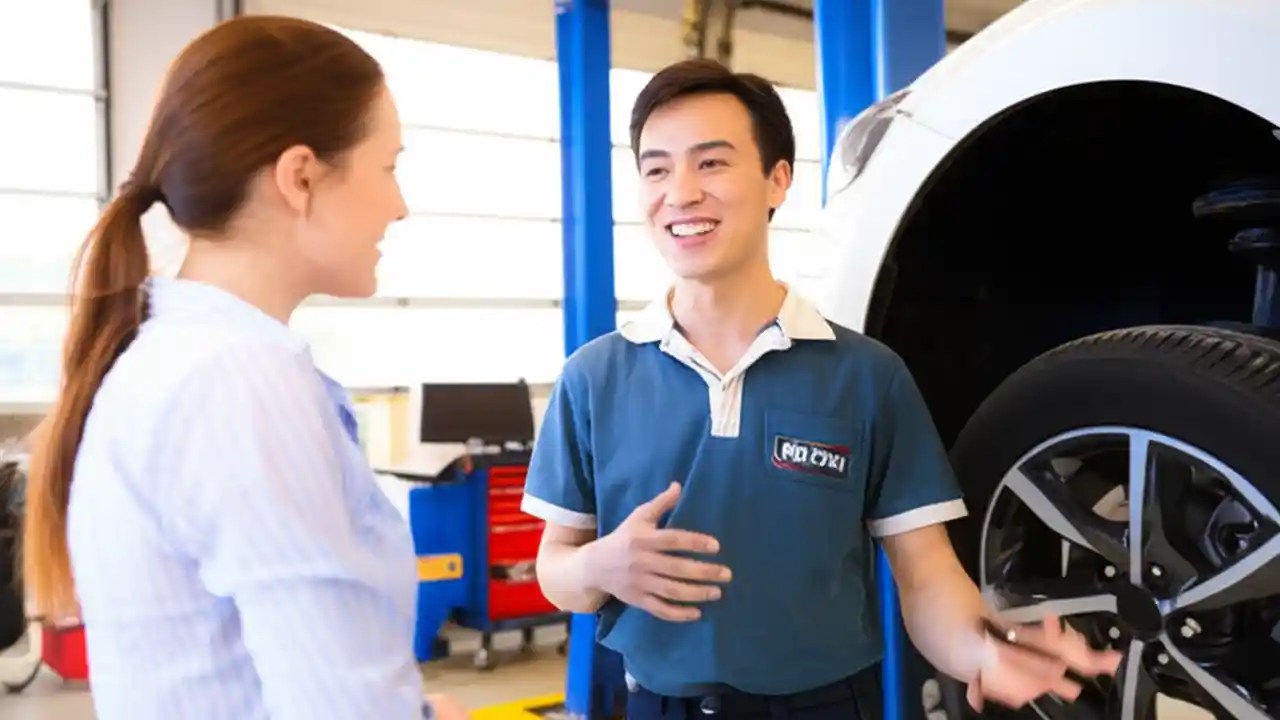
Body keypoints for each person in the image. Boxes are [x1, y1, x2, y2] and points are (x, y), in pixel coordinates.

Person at [520, 59, 1123, 719]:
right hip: (656, 706)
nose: (681, 193)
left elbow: (926, 577)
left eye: (711, 164)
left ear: (777, 180)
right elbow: (556, 572)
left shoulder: (867, 375)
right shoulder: (594, 376)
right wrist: (597, 570)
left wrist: (980, 653)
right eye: (657, 169)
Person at [22, 16, 469, 720]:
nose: (399, 205)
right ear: (299, 176)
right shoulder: (237, 380)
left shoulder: (186, 358)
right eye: (388, 167)